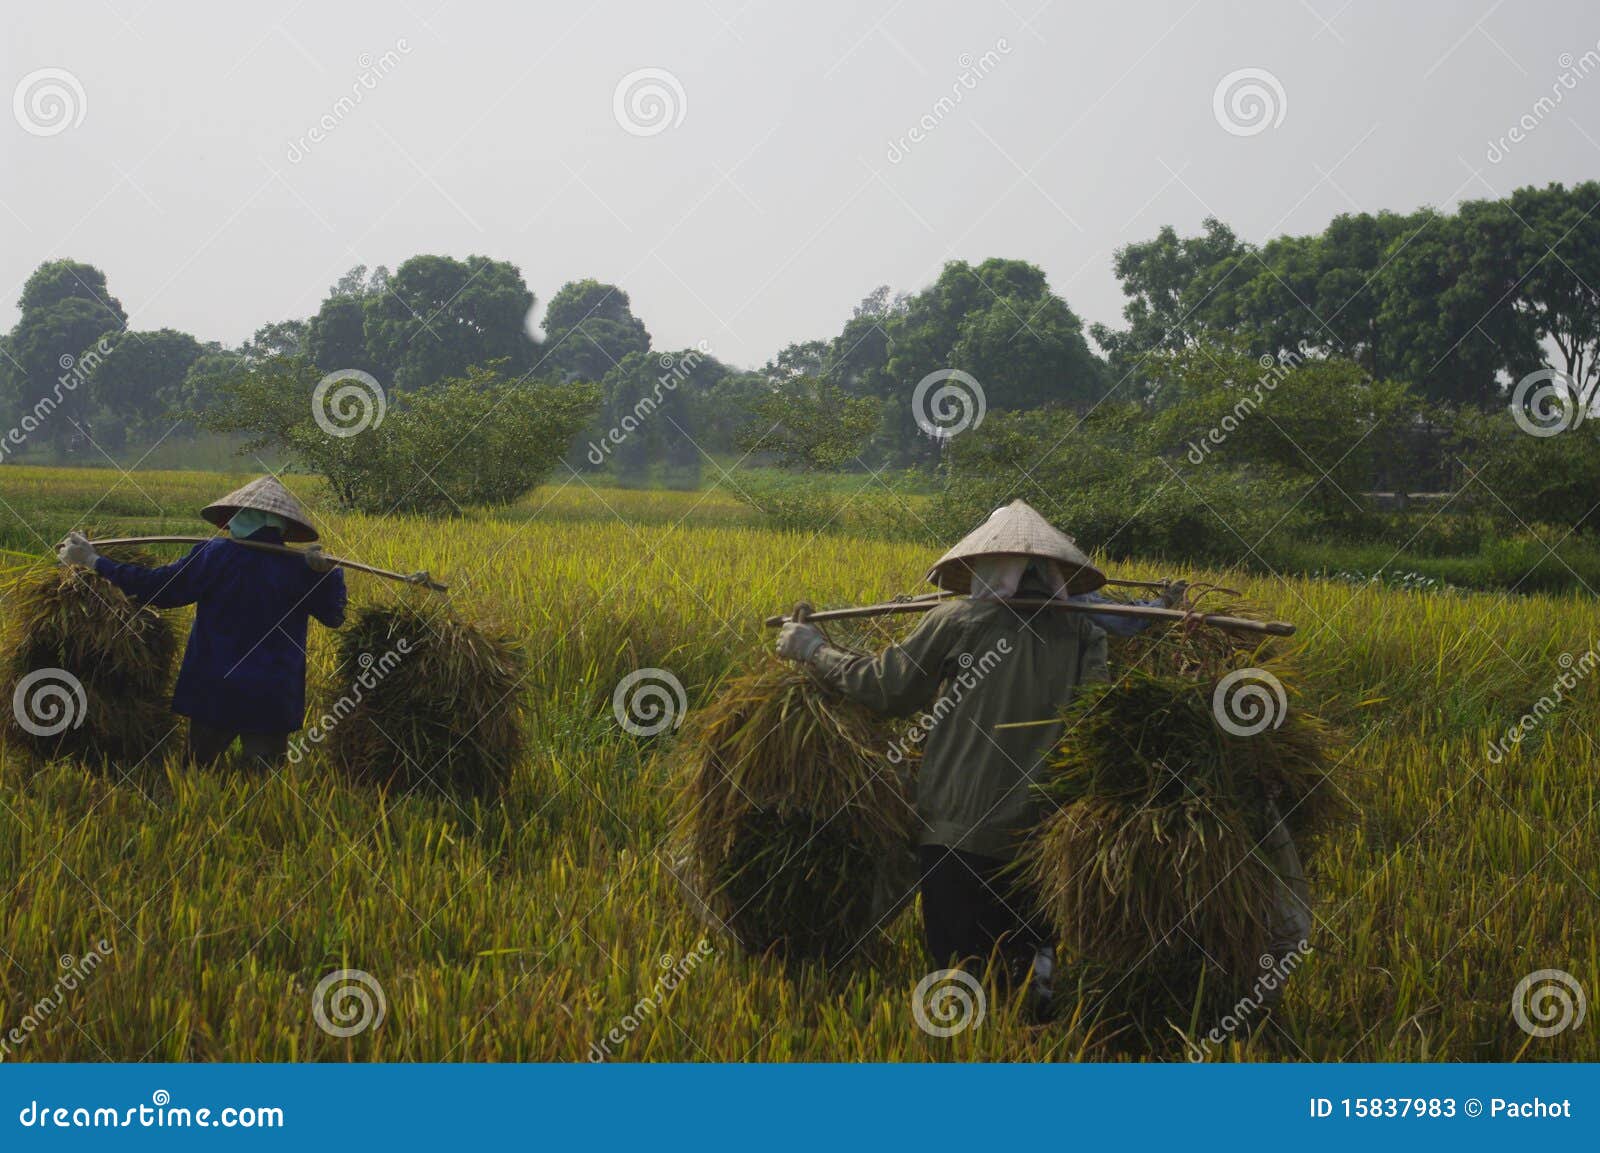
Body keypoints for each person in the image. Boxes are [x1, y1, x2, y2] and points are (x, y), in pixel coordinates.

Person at [776, 499, 1112, 1017]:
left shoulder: (958, 619)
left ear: (985, 566)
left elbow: (887, 689)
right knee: (1030, 979)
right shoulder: (1087, 634)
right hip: (1044, 838)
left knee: (958, 978)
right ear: (1055, 573)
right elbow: (1099, 722)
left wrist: (814, 651)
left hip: (957, 830)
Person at [57, 476, 347, 770]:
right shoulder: (300, 568)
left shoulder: (215, 555)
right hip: (272, 692)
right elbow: (334, 615)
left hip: (215, 687)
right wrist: (324, 576)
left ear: (248, 517)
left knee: (198, 771)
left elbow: (158, 589)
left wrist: (94, 562)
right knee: (263, 781)